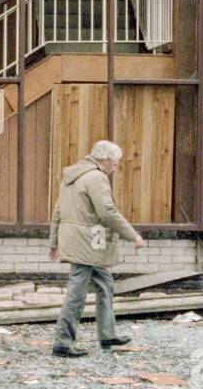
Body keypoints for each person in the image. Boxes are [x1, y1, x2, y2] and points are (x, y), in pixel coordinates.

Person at [48, 140, 143, 357]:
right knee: (77, 292)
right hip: (88, 243)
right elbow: (107, 212)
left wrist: (54, 243)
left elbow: (57, 212)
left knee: (105, 283)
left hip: (80, 241)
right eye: (116, 163)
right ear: (106, 160)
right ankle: (63, 342)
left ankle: (107, 334)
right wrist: (132, 235)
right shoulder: (96, 177)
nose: (115, 168)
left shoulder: (73, 176)